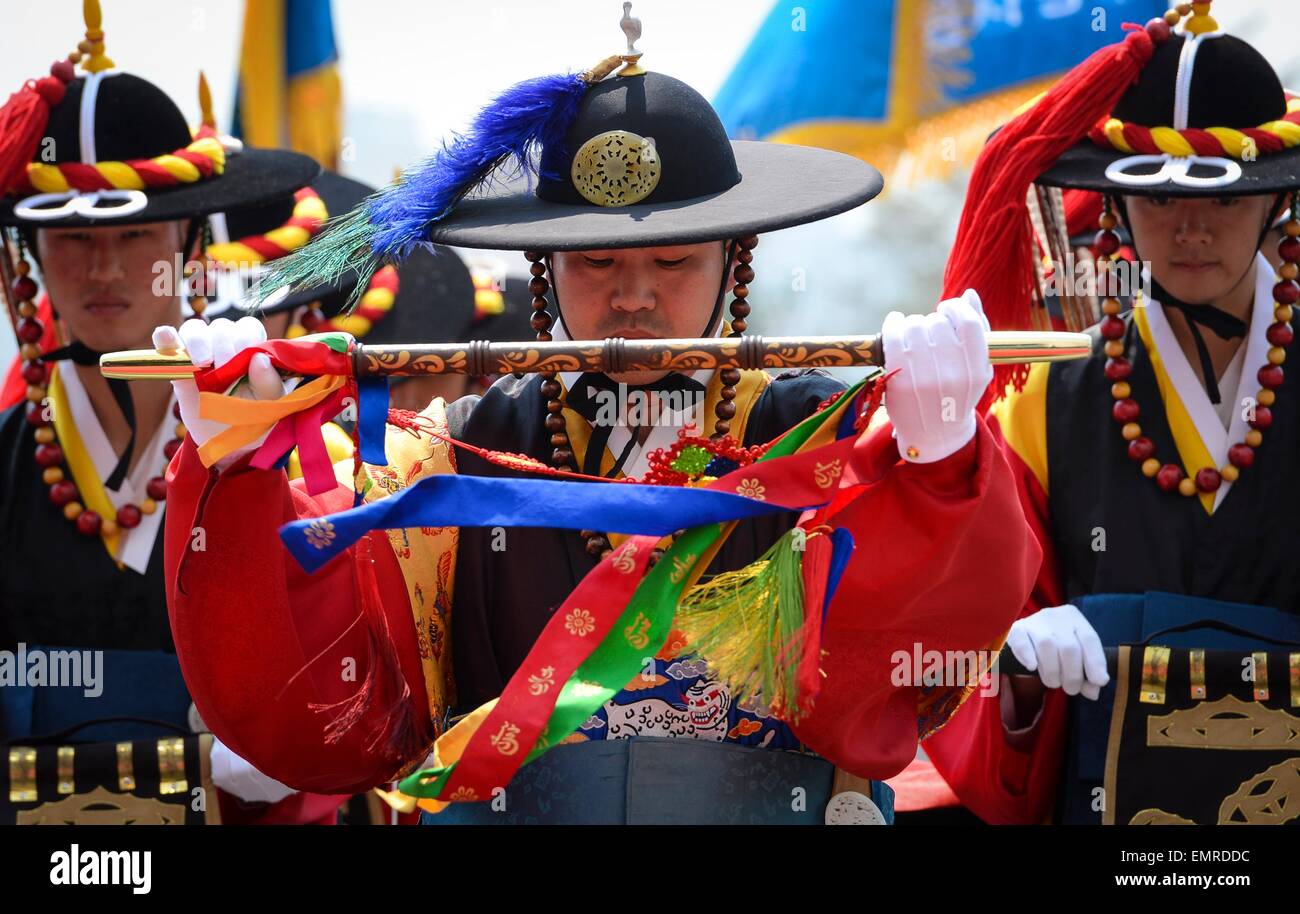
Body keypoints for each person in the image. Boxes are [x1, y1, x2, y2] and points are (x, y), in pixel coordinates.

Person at [154, 6, 1039, 825]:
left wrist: (941, 465)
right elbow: (338, 672)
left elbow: (923, 656)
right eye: (597, 264)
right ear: (543, 270)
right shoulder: (460, 449)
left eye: (673, 260)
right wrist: (244, 468)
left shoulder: (828, 437)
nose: (636, 297)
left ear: (738, 261)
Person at [925, 1, 1300, 824]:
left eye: (1226, 202)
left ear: (1277, 204)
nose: (1191, 229)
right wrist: (1021, 666)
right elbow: (978, 624)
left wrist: (1124, 623)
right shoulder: (1045, 397)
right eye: (1159, 203)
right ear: (1120, 209)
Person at [0, 2, 343, 824]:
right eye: (71, 241)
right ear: (30, 257)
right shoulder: (7, 462)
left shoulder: (278, 453)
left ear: (192, 247)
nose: (104, 270)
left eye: (137, 235)